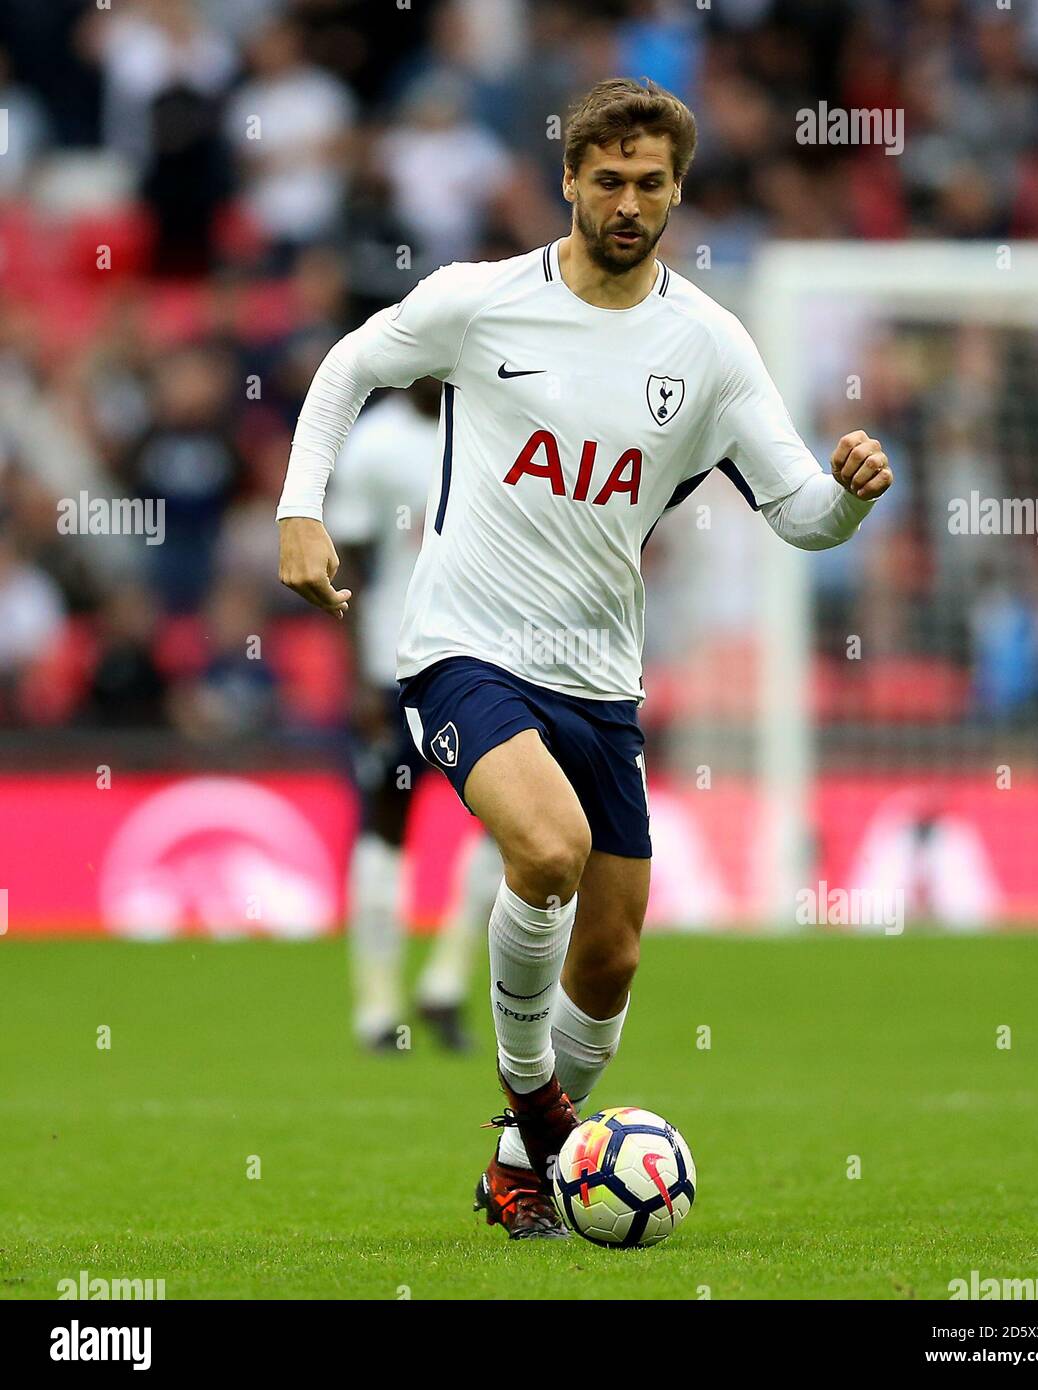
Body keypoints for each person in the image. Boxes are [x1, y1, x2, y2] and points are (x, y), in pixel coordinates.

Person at [276, 78, 893, 1239]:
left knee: (608, 955)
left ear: (677, 190)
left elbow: (798, 508)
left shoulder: (709, 346)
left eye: (650, 182)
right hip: (463, 647)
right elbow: (351, 364)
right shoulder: (482, 303)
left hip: (601, 676)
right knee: (546, 851)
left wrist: (849, 497)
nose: (627, 201)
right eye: (606, 179)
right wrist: (299, 508)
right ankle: (547, 1120)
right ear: (567, 180)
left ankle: (519, 1169)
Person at [324, 376, 501, 1052]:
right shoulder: (375, 443)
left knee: (508, 823)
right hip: (393, 668)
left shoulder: (494, 425)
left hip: (482, 663)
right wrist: (357, 676)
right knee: (385, 822)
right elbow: (350, 568)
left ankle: (447, 980)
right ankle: (376, 1007)